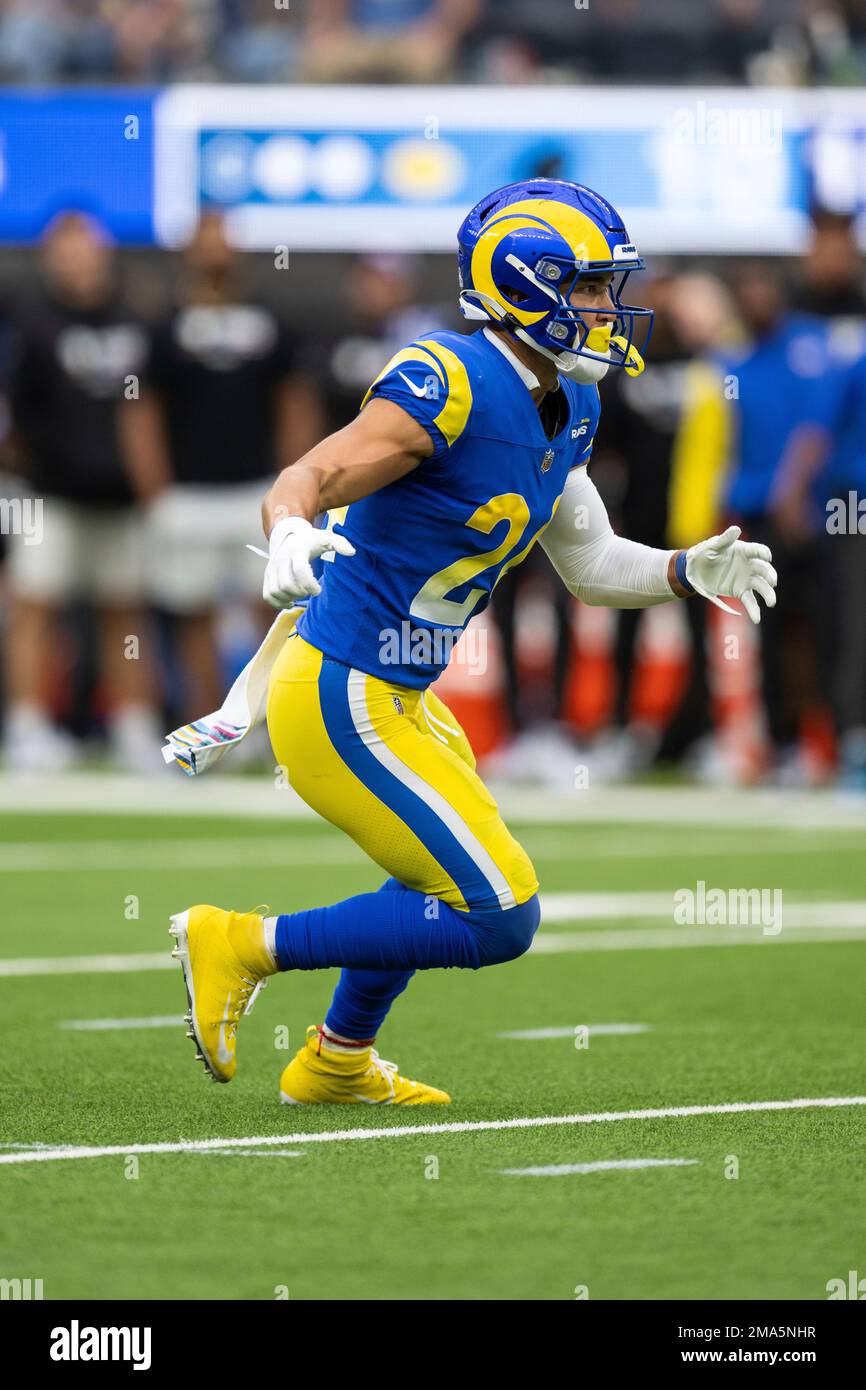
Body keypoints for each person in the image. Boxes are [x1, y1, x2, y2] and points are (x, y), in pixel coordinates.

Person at [167, 179, 776, 1105]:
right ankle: (241, 942)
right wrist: (291, 527)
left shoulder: (570, 403)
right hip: (341, 693)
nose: (610, 310)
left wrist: (686, 571)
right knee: (498, 913)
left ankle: (334, 1060)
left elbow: (590, 560)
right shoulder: (450, 379)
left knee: (431, 885)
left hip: (401, 694)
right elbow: (316, 469)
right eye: (589, 288)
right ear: (525, 286)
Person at [122, 212, 321, 717]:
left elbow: (295, 403)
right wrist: (155, 491)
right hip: (187, 494)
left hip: (257, 490)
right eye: (204, 242)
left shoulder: (272, 322)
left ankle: (271, 725)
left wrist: (293, 486)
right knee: (193, 616)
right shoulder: (163, 327)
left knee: (273, 610)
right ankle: (210, 723)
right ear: (189, 253)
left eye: (221, 242)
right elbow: (142, 410)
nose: (213, 252)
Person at [2, 211, 160, 773]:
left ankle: (135, 727)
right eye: (69, 251)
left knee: (125, 613)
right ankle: (26, 726)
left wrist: (147, 484)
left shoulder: (133, 320)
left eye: (89, 249)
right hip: (50, 495)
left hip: (119, 498)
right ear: (52, 258)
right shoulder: (32, 322)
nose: (81, 261)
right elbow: (16, 412)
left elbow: (148, 410)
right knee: (35, 607)